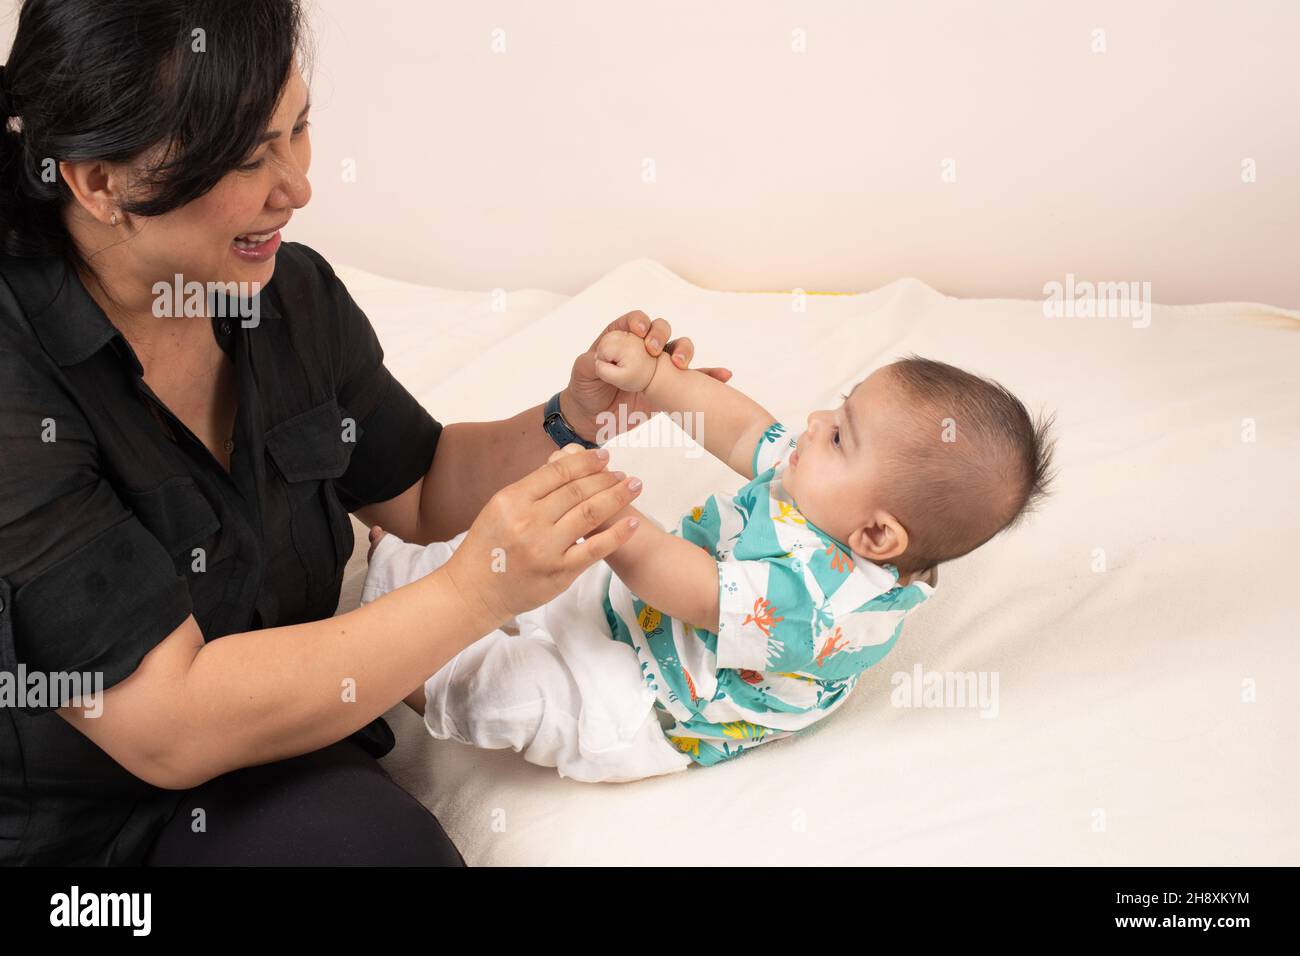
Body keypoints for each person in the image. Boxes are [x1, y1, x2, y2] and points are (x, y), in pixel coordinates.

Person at [0, 0, 730, 865]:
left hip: (276, 754)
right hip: (71, 827)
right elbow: (171, 728)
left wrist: (569, 420)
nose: (298, 187)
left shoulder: (286, 295)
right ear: (99, 182)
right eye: (246, 156)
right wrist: (477, 590)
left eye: (298, 129)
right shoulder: (19, 379)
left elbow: (417, 485)